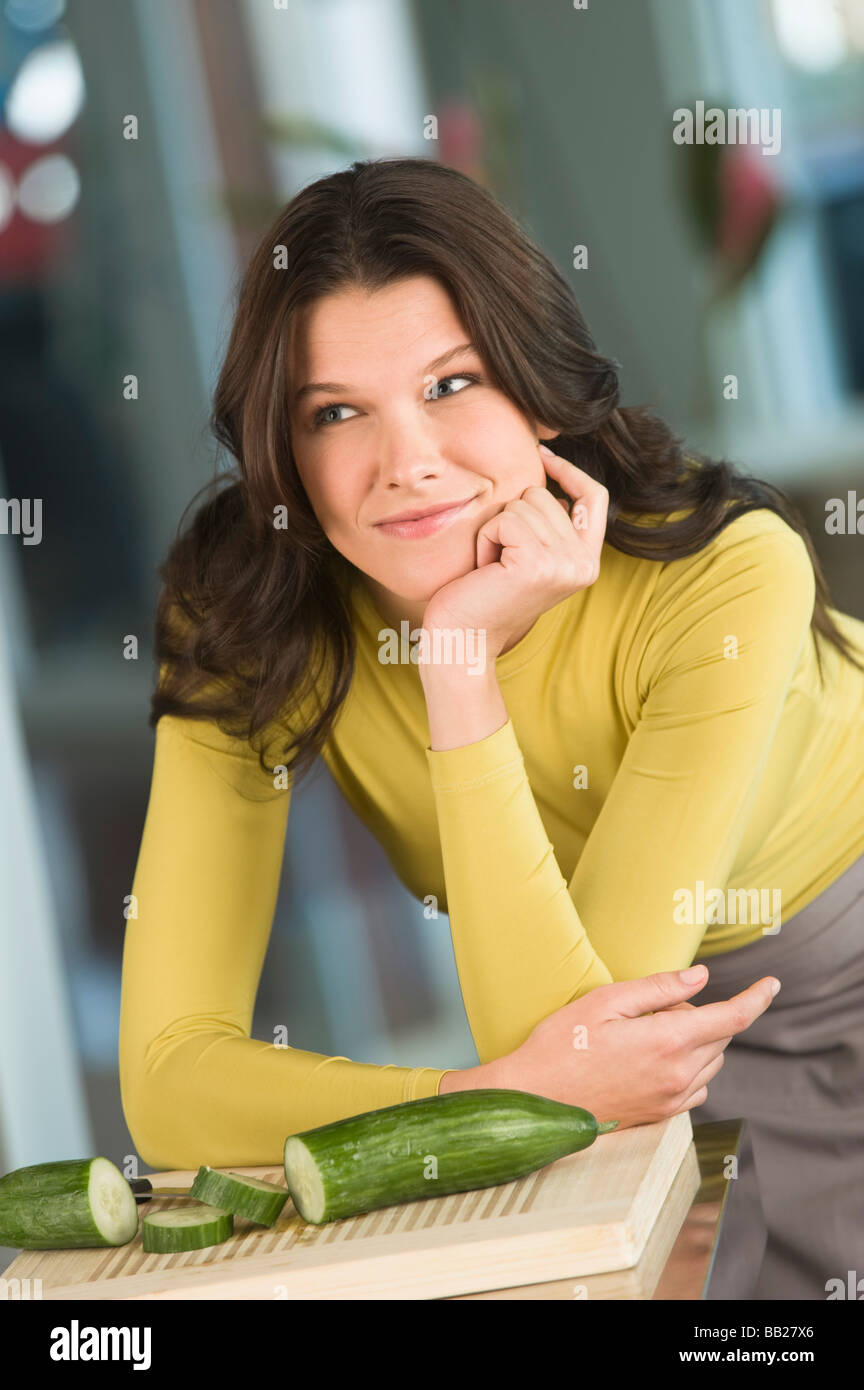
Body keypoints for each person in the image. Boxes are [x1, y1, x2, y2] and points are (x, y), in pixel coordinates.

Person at [119, 157, 864, 1299]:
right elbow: (169, 1086)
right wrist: (480, 1096)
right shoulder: (244, 612)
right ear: (287, 455)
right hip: (638, 1058)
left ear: (544, 391)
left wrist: (456, 664)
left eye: (453, 384)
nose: (406, 461)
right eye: (335, 413)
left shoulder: (726, 577)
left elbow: (567, 1055)